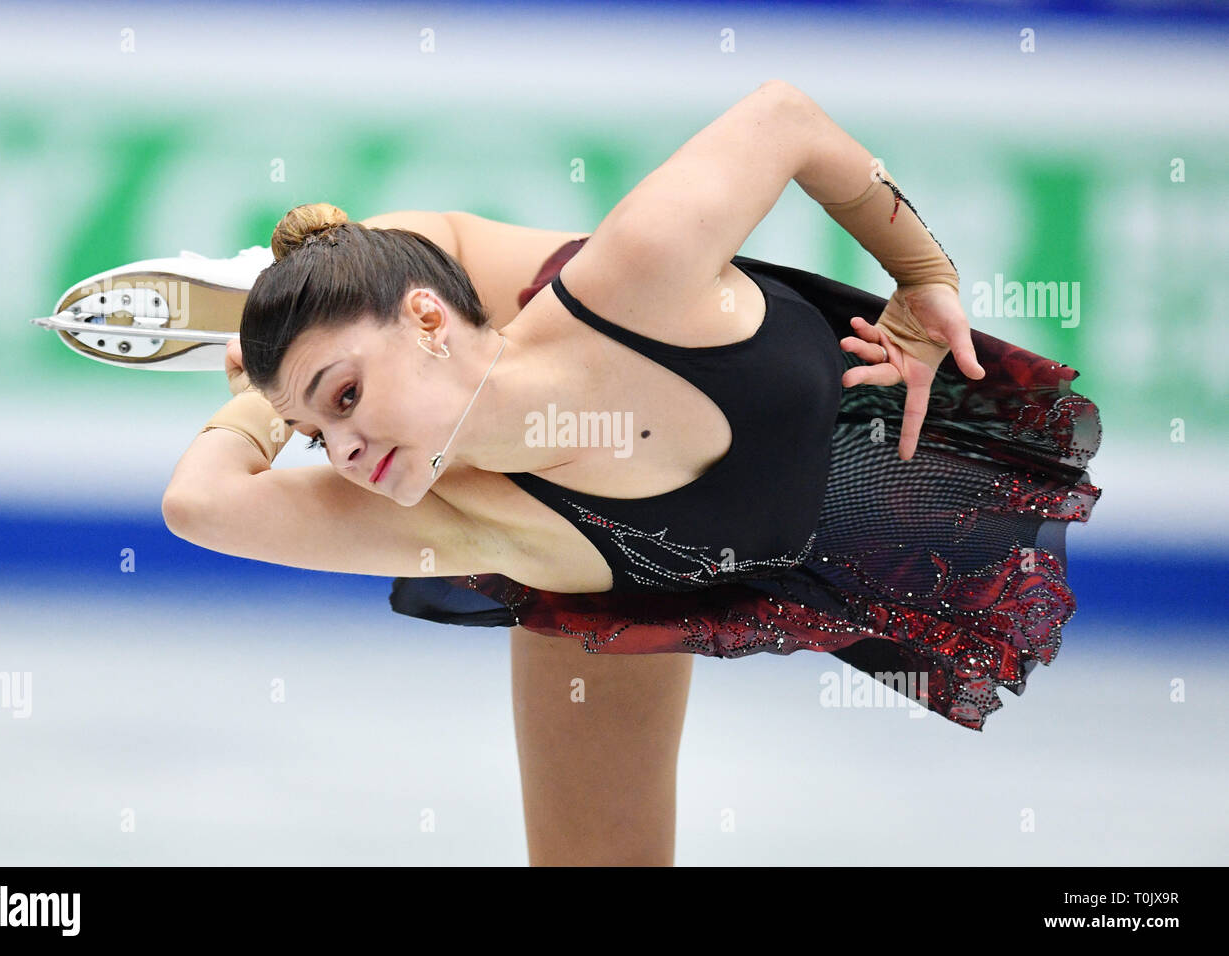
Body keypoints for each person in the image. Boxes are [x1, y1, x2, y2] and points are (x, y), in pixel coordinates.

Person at [161, 79, 1102, 865]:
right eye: (320, 437)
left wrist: (921, 269)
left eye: (347, 401)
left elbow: (785, 119)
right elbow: (199, 503)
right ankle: (277, 315)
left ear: (427, 322)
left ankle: (277, 293)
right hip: (625, 580)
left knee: (425, 248)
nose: (349, 455)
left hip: (620, 342)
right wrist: (272, 395)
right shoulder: (473, 521)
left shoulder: (640, 271)